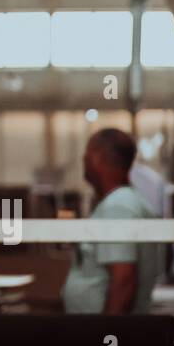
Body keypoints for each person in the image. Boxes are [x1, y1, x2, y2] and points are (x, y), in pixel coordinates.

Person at [62, 128, 165, 315]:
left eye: (86, 154)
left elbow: (123, 281)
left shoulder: (118, 207)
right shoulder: (129, 201)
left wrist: (108, 336)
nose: (83, 160)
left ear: (98, 157)